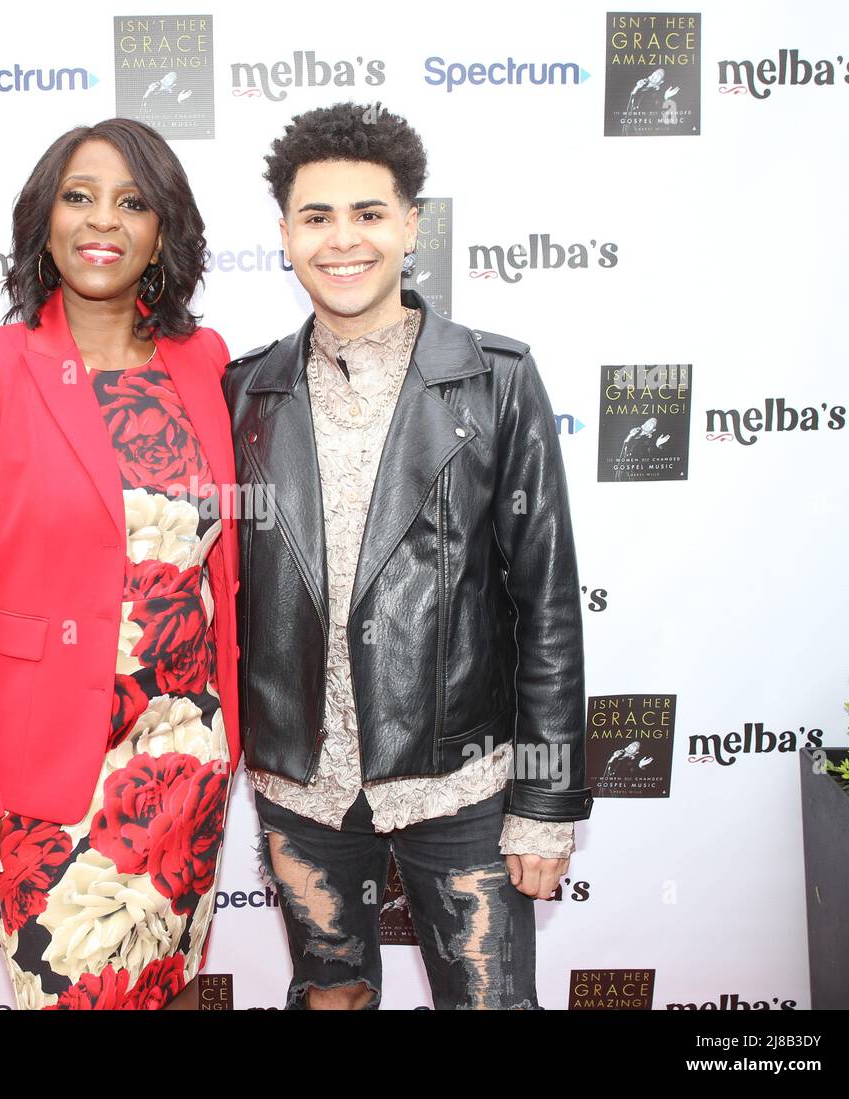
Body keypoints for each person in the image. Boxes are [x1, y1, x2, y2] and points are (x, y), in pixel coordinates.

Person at [222, 102, 594, 1010]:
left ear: (410, 223)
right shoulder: (244, 391)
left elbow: (545, 603)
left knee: (491, 1002)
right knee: (329, 996)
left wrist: (545, 804)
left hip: (461, 780)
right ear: (284, 235)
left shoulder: (495, 378)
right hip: (301, 784)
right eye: (316, 217)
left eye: (368, 213)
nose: (342, 239)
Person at [0, 117, 241, 1010]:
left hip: (187, 757)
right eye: (80, 196)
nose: (104, 220)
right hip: (50, 781)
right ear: (44, 221)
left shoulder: (201, 361)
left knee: (170, 989)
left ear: (163, 231)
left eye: (133, 202)